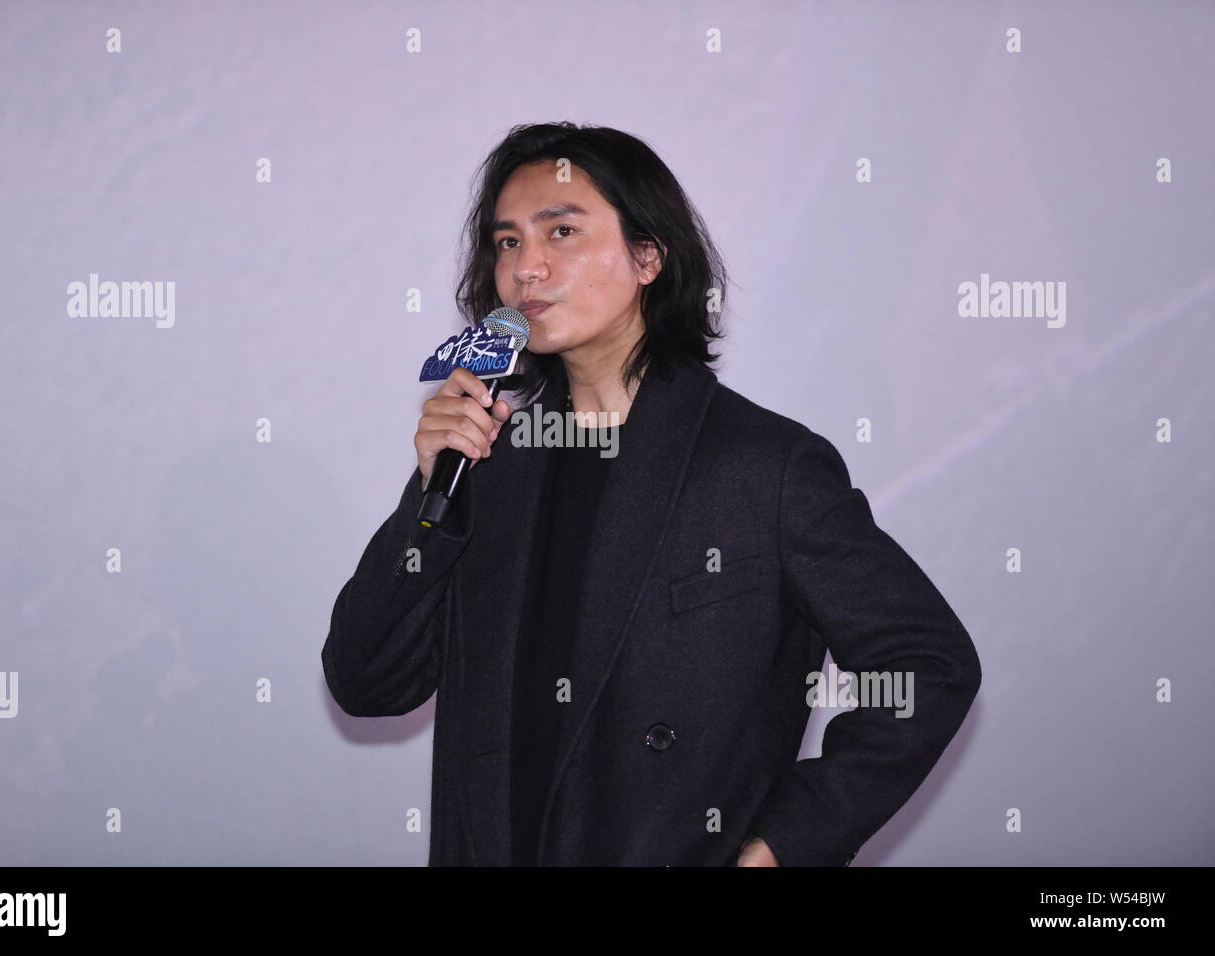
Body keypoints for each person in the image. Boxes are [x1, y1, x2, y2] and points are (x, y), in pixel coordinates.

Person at [322, 122, 982, 866]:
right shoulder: (491, 467)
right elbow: (366, 680)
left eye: (560, 231)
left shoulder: (762, 466)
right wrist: (429, 495)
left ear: (647, 256)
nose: (525, 268)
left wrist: (779, 846)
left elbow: (929, 666)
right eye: (507, 242)